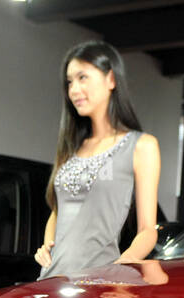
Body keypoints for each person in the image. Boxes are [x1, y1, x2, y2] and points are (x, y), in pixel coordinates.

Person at [35, 41, 161, 278]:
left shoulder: (142, 146)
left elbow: (147, 230)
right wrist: (47, 245)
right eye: (69, 82)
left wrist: (124, 264)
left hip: (99, 282)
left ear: (111, 79)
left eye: (83, 77)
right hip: (50, 280)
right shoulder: (72, 147)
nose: (73, 90)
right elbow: (58, 210)